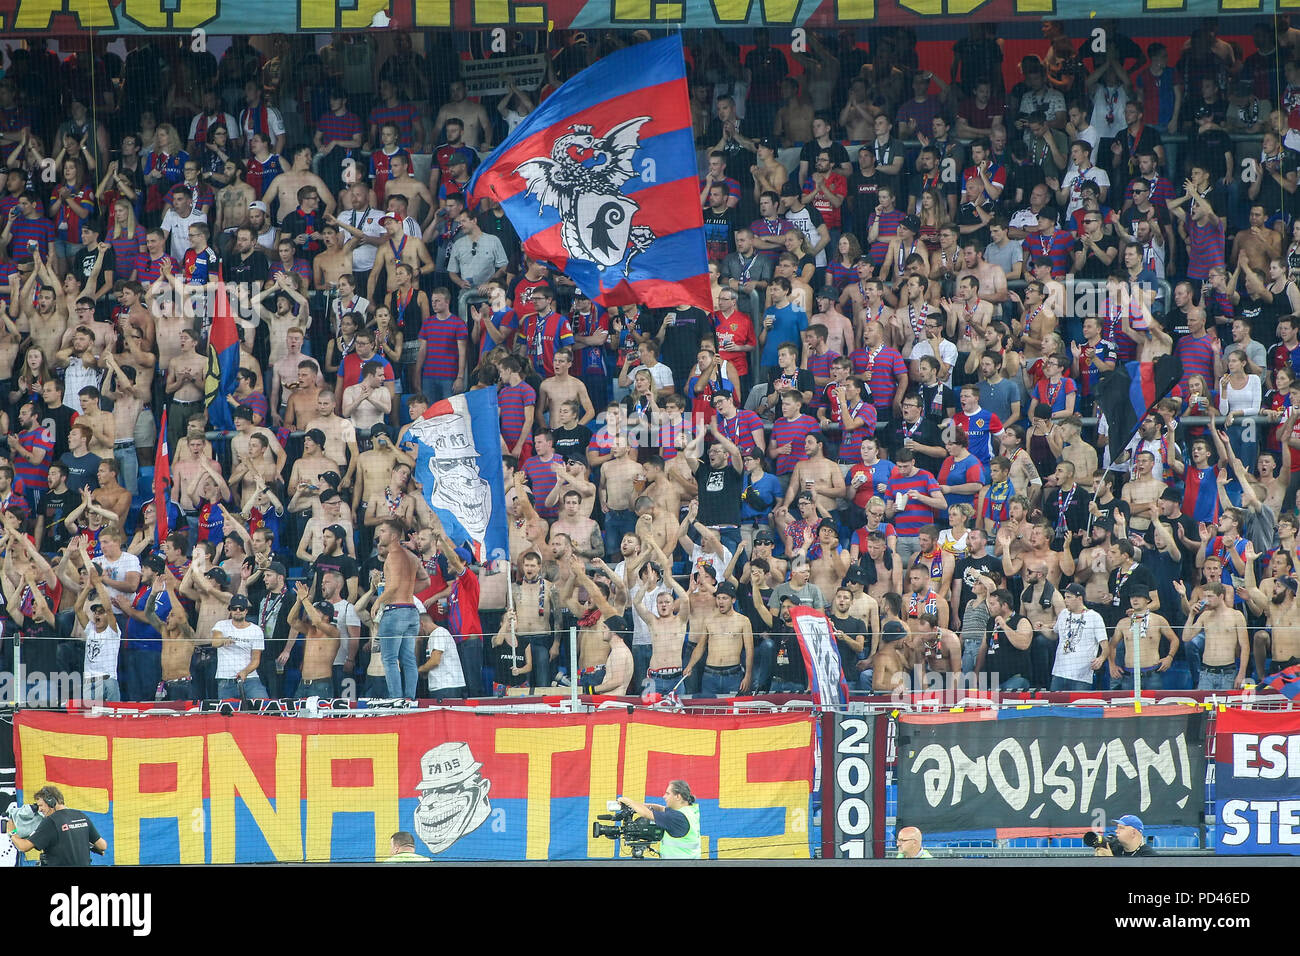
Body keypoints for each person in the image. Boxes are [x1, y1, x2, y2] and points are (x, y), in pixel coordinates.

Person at [8, 785, 107, 866]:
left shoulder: (51, 822)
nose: (40, 809)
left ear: (51, 801)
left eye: (41, 805)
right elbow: (102, 846)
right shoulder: (81, 815)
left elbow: (23, 846)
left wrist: (12, 832)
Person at [615, 779, 701, 859]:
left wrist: (628, 801)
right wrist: (636, 806)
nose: (664, 796)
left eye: (668, 793)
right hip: (688, 861)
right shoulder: (689, 810)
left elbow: (646, 814)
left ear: (678, 796)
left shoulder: (676, 817)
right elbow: (660, 808)